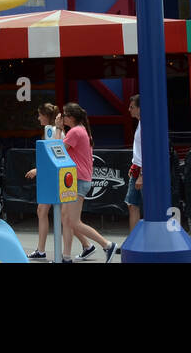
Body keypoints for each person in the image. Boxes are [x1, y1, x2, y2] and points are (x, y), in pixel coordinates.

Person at [58, 102, 116, 263]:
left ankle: (107, 245)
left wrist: (57, 129)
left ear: (70, 117)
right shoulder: (79, 130)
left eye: (64, 114)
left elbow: (56, 150)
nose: (62, 117)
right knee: (67, 219)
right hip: (77, 179)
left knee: (73, 222)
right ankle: (69, 256)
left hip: (76, 180)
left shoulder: (75, 132)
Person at [23, 102, 62, 259]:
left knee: (68, 218)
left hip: (53, 177)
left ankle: (90, 245)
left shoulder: (52, 131)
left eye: (40, 115)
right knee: (43, 211)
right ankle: (40, 250)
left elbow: (54, 153)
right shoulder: (50, 130)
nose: (38, 118)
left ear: (46, 116)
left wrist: (38, 170)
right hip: (50, 177)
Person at [125, 95, 143, 234]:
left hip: (142, 171)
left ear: (139, 108)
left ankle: (139, 239)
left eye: (132, 107)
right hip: (137, 168)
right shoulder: (140, 124)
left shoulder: (145, 126)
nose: (129, 109)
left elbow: (148, 151)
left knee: (140, 205)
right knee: (132, 205)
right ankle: (133, 239)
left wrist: (142, 175)